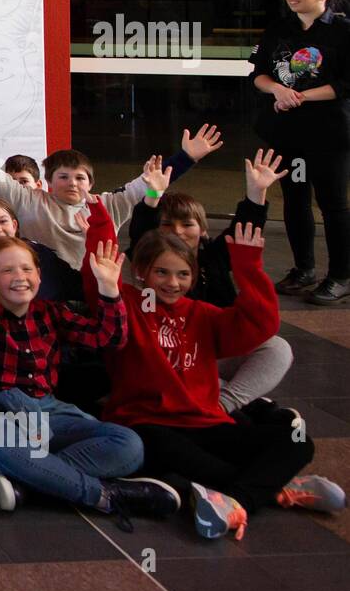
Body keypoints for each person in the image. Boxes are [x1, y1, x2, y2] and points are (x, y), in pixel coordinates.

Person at [0, 212, 180, 529]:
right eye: (7, 270)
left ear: (39, 276)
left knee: (129, 445)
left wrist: (109, 290)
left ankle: (33, 481)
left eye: (26, 269)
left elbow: (109, 338)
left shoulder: (52, 312)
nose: (19, 276)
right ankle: (105, 495)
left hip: (46, 413)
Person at [85, 209, 344, 540]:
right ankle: (278, 487)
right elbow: (96, 278)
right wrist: (99, 220)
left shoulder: (203, 314)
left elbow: (260, 324)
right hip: (146, 422)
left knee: (298, 442)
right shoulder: (127, 305)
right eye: (161, 272)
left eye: (182, 274)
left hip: (206, 421)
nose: (172, 283)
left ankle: (237, 500)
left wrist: (248, 267)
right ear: (140, 272)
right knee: (169, 450)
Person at [124, 151, 295, 417]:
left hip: (213, 350)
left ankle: (224, 405)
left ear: (202, 230)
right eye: (167, 224)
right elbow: (141, 234)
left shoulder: (212, 257)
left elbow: (243, 232)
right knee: (185, 377)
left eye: (187, 224)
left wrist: (256, 193)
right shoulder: (145, 261)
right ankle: (250, 407)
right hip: (170, 358)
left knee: (277, 347)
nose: (177, 231)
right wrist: (153, 195)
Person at [0, 109, 222, 270]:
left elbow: (152, 181)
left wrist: (187, 157)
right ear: (49, 182)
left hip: (95, 287)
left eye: (80, 178)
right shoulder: (29, 199)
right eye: (63, 177)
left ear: (91, 184)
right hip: (41, 287)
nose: (72, 183)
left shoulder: (108, 205)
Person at [249, 0, 350, 304]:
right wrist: (278, 89)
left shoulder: (342, 31)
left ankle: (340, 275)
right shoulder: (279, 29)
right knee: (294, 200)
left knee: (333, 204)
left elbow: (345, 85)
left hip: (329, 133)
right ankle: (303, 269)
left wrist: (301, 96)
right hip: (287, 133)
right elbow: (258, 74)